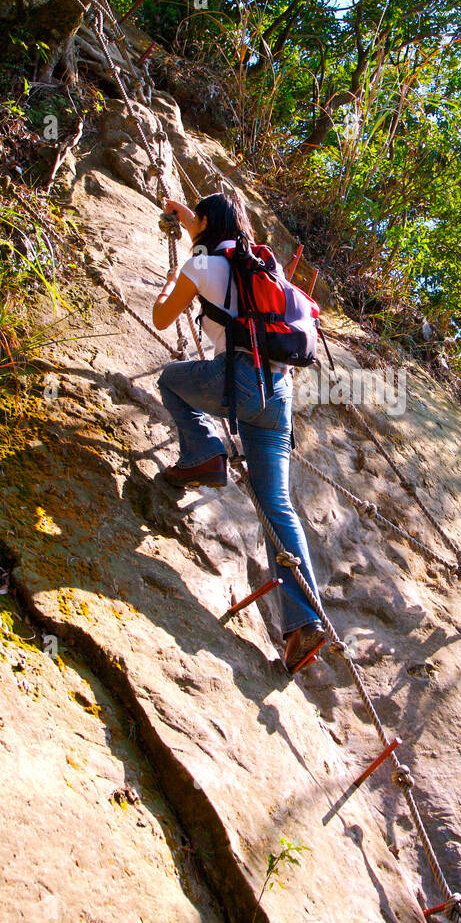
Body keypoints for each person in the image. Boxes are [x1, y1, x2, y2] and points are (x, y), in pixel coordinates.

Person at [152, 192, 326, 673]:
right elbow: (209, 230)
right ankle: (303, 622)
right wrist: (186, 216)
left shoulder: (201, 265)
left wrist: (172, 280)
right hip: (279, 396)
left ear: (206, 225)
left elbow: (162, 317)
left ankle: (205, 452)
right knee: (277, 506)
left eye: (196, 219)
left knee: (171, 380)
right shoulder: (258, 265)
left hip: (238, 380)